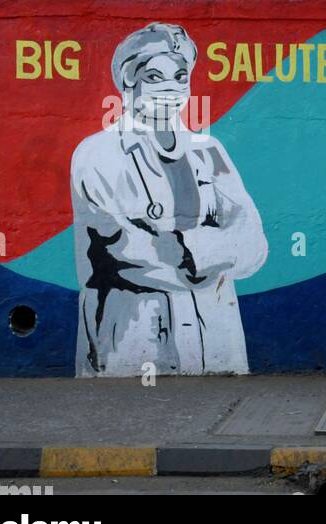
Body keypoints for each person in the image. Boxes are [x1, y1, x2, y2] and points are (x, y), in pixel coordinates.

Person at [71, 23, 268, 377]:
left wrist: (187, 249)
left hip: (216, 340)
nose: (172, 89)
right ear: (129, 82)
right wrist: (217, 251)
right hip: (132, 343)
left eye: (180, 76)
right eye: (155, 76)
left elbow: (253, 244)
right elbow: (130, 253)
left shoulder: (210, 152)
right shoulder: (97, 154)